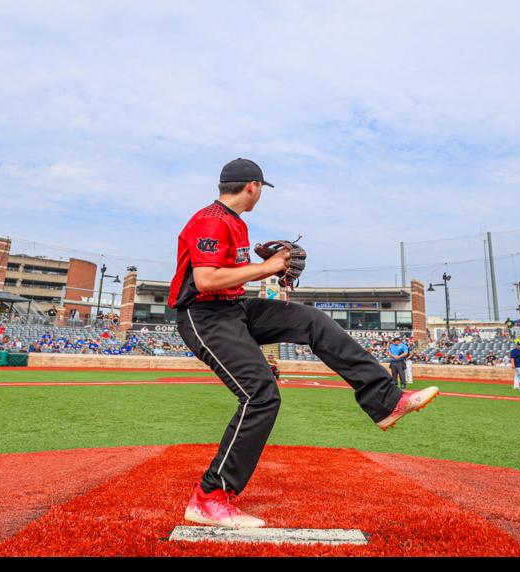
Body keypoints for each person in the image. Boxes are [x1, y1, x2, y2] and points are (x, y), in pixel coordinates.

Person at [171, 159, 439, 529]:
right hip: (203, 315)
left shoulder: (236, 223)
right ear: (253, 186)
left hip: (233, 308)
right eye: (261, 188)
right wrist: (269, 267)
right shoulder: (212, 220)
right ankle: (210, 497)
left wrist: (271, 266)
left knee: (312, 321)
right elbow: (204, 279)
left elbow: (228, 277)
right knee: (260, 395)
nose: (261, 193)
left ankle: (385, 400)